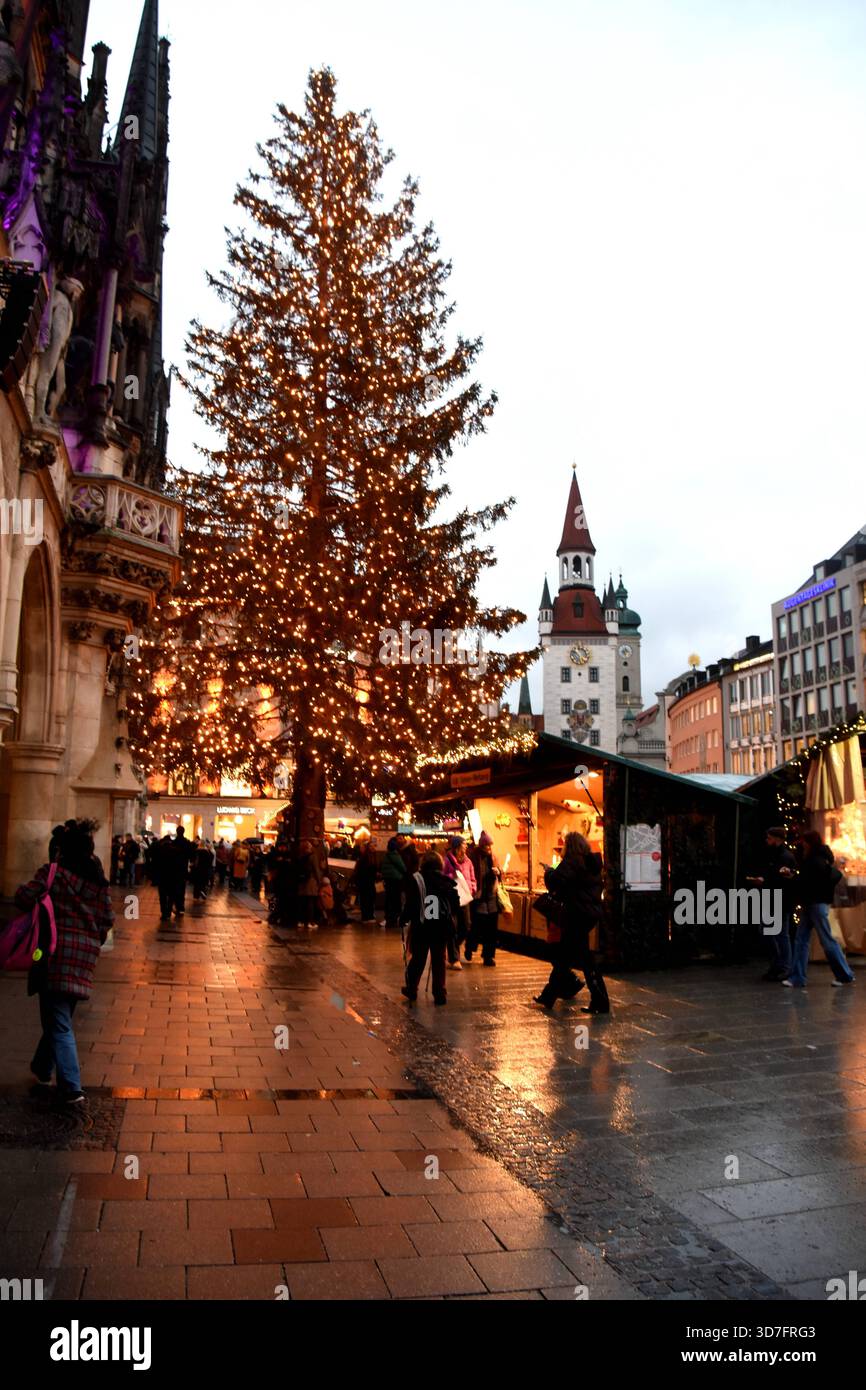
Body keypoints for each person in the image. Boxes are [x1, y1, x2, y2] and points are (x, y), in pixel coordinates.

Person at [15, 820, 113, 1105]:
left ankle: (71, 1086)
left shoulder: (53, 873)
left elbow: (23, 897)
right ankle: (42, 1066)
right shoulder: (97, 880)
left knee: (57, 1019)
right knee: (60, 1014)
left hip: (52, 951)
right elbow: (107, 919)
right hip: (84, 954)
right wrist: (93, 938)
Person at [536, 831, 609, 1013]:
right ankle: (549, 996)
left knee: (581, 958)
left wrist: (549, 871)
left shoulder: (572, 862)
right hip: (588, 914)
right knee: (567, 956)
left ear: (570, 846)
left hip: (576, 914)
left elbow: (555, 882)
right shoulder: (591, 863)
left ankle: (600, 1001)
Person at [785, 831, 855, 989]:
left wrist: (792, 878)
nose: (801, 844)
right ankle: (798, 977)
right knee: (805, 939)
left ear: (808, 843)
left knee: (819, 939)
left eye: (803, 841)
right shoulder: (821, 859)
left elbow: (807, 882)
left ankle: (844, 974)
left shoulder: (813, 861)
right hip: (815, 903)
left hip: (813, 903)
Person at [401, 851, 458, 1006]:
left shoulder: (417, 879)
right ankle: (440, 993)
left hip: (422, 926)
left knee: (418, 958)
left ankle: (412, 988)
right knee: (439, 959)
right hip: (441, 928)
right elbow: (455, 902)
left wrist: (404, 918)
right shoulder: (446, 881)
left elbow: (411, 903)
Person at [747, 827, 797, 982]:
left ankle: (783, 966)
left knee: (779, 934)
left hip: (780, 899)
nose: (767, 841)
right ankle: (779, 964)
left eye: (769, 838)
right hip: (774, 898)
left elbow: (782, 878)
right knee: (770, 932)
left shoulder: (784, 856)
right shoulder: (777, 855)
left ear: (776, 839)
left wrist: (764, 881)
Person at [468, 831, 501, 966]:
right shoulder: (473, 857)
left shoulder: (492, 857)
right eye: (487, 845)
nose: (489, 848)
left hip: (491, 897)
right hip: (478, 896)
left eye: (490, 845)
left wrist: (498, 872)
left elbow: (499, 872)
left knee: (491, 929)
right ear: (482, 845)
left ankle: (488, 956)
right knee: (477, 925)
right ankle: (470, 947)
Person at [443, 836, 476, 970]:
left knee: (466, 926)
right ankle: (454, 958)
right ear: (457, 846)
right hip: (452, 898)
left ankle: (452, 948)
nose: (466, 846)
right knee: (452, 927)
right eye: (464, 844)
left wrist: (473, 889)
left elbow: (473, 878)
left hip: (465, 898)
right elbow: (443, 876)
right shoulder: (447, 860)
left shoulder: (468, 861)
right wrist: (453, 877)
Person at [156, 827, 192, 922]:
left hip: (171, 873)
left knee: (170, 893)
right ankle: (180, 907)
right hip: (181, 871)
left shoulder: (173, 844)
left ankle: (168, 911)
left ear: (177, 832)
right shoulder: (187, 843)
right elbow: (190, 856)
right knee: (180, 890)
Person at [381, 835, 408, 930]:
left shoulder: (386, 855)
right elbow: (403, 867)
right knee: (396, 900)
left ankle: (389, 918)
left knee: (389, 899)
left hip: (388, 880)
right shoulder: (395, 855)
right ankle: (396, 918)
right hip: (396, 880)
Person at [294, 839, 320, 929]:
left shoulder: (300, 856)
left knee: (301, 902)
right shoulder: (312, 857)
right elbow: (316, 870)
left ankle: (300, 921)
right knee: (310, 902)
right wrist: (319, 881)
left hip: (301, 882)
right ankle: (310, 922)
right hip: (310, 882)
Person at [353, 837, 378, 923]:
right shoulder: (365, 857)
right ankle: (367, 917)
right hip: (365, 882)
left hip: (369, 881)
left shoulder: (372, 857)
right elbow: (364, 870)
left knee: (369, 899)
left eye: (373, 846)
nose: (372, 848)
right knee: (367, 899)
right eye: (370, 846)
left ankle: (368, 916)